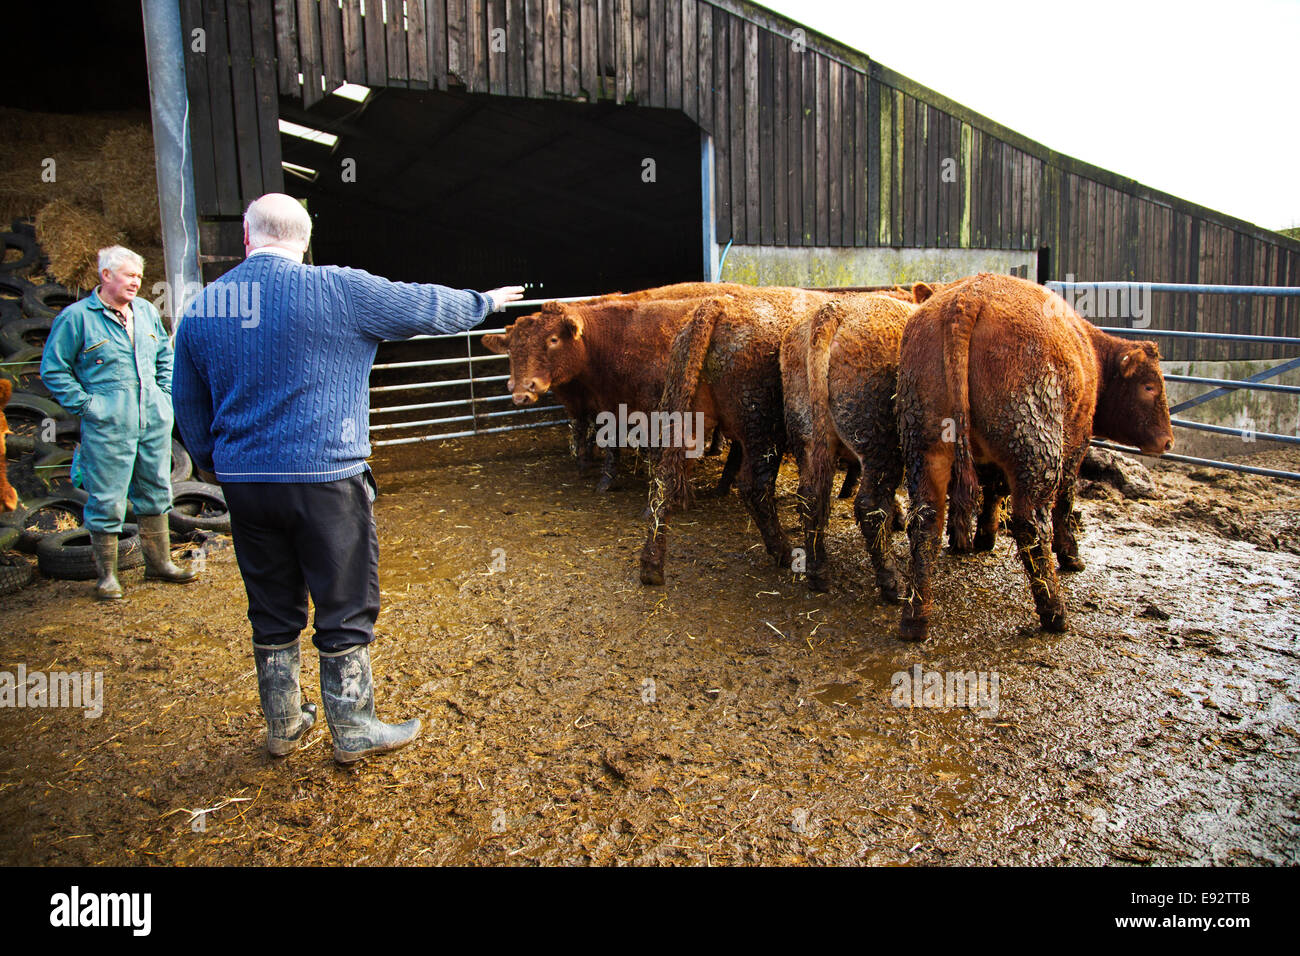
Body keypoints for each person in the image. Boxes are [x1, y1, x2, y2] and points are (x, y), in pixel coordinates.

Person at [171, 193, 523, 764]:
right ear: (305, 240)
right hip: (326, 478)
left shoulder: (206, 305)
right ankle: (353, 725)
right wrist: (481, 302)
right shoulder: (338, 288)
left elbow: (186, 399)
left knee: (271, 602)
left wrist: (216, 462)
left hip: (246, 483)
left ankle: (284, 726)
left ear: (245, 236)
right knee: (344, 600)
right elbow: (423, 307)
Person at [40, 245, 196, 600]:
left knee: (157, 490)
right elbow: (53, 369)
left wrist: (164, 397)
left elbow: (164, 358)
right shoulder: (76, 318)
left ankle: (159, 564)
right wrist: (88, 405)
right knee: (108, 497)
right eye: (129, 275)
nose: (136, 283)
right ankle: (107, 576)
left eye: (139, 276)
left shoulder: (144, 312)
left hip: (152, 421)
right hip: (108, 425)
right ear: (106, 275)